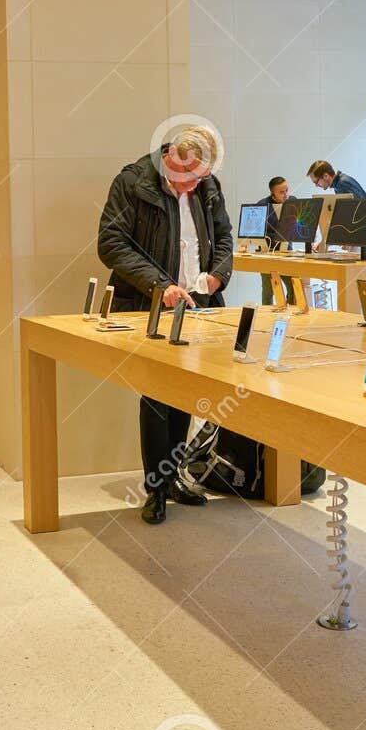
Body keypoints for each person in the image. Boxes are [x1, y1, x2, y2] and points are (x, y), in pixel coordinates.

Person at [98, 124, 234, 526]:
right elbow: (110, 243)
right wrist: (161, 285)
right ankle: (155, 489)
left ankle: (172, 477)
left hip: (200, 305)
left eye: (200, 178)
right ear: (171, 155)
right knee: (156, 396)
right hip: (149, 304)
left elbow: (224, 239)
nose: (193, 185)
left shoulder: (207, 186)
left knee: (185, 394)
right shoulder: (133, 182)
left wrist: (218, 275)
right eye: (187, 176)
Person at [259, 175, 296, 307]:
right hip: (267, 253)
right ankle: (267, 318)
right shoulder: (262, 205)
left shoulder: (293, 202)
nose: (286, 194)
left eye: (287, 190)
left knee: (293, 288)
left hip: (287, 253)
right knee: (268, 292)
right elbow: (257, 231)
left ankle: (289, 313)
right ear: (272, 193)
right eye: (281, 192)